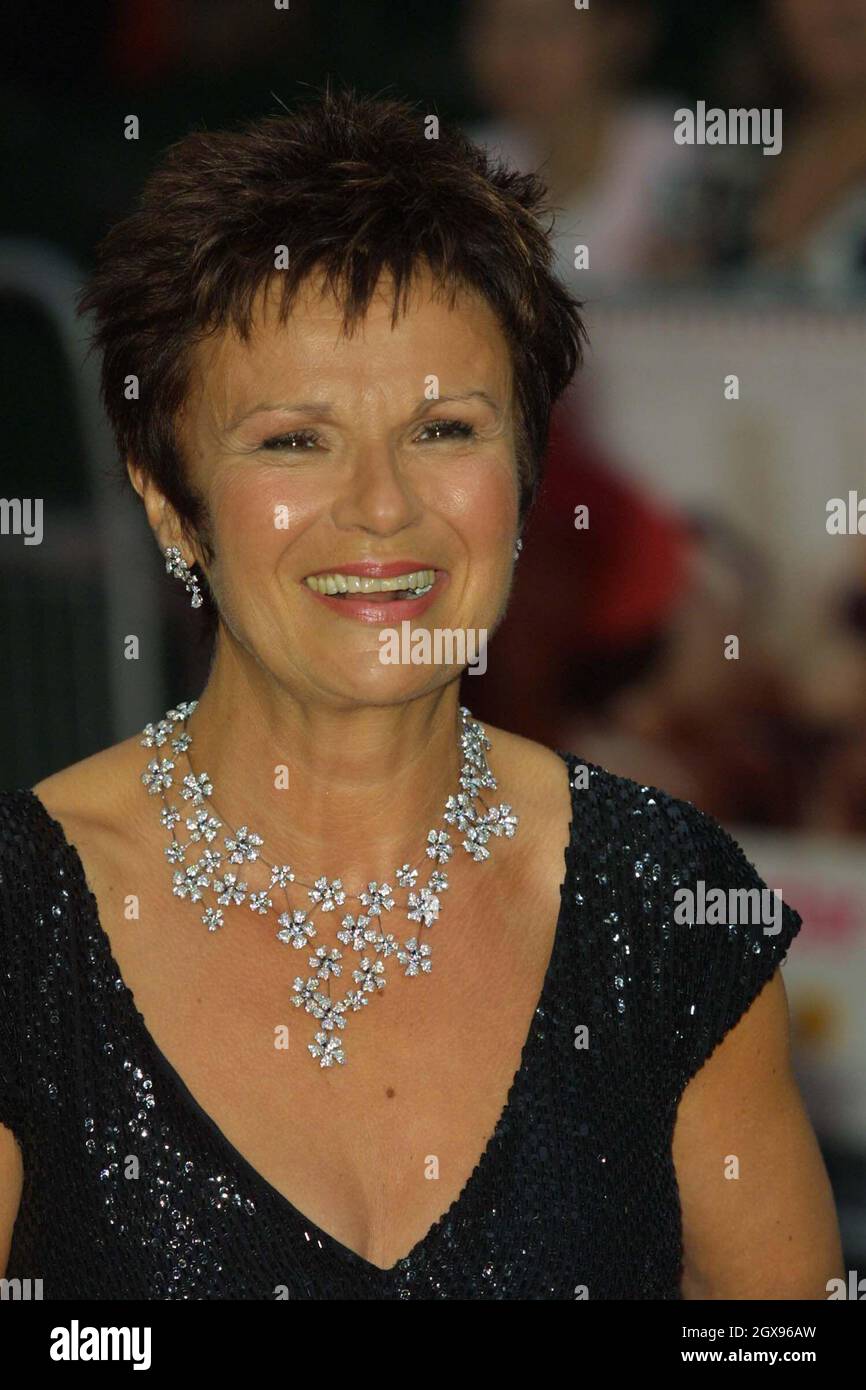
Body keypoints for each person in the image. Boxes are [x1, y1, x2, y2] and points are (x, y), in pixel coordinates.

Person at [0, 86, 842, 1300]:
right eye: (294, 439)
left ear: (525, 470)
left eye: (444, 429)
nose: (383, 507)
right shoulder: (27, 926)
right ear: (168, 497)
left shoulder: (660, 907)